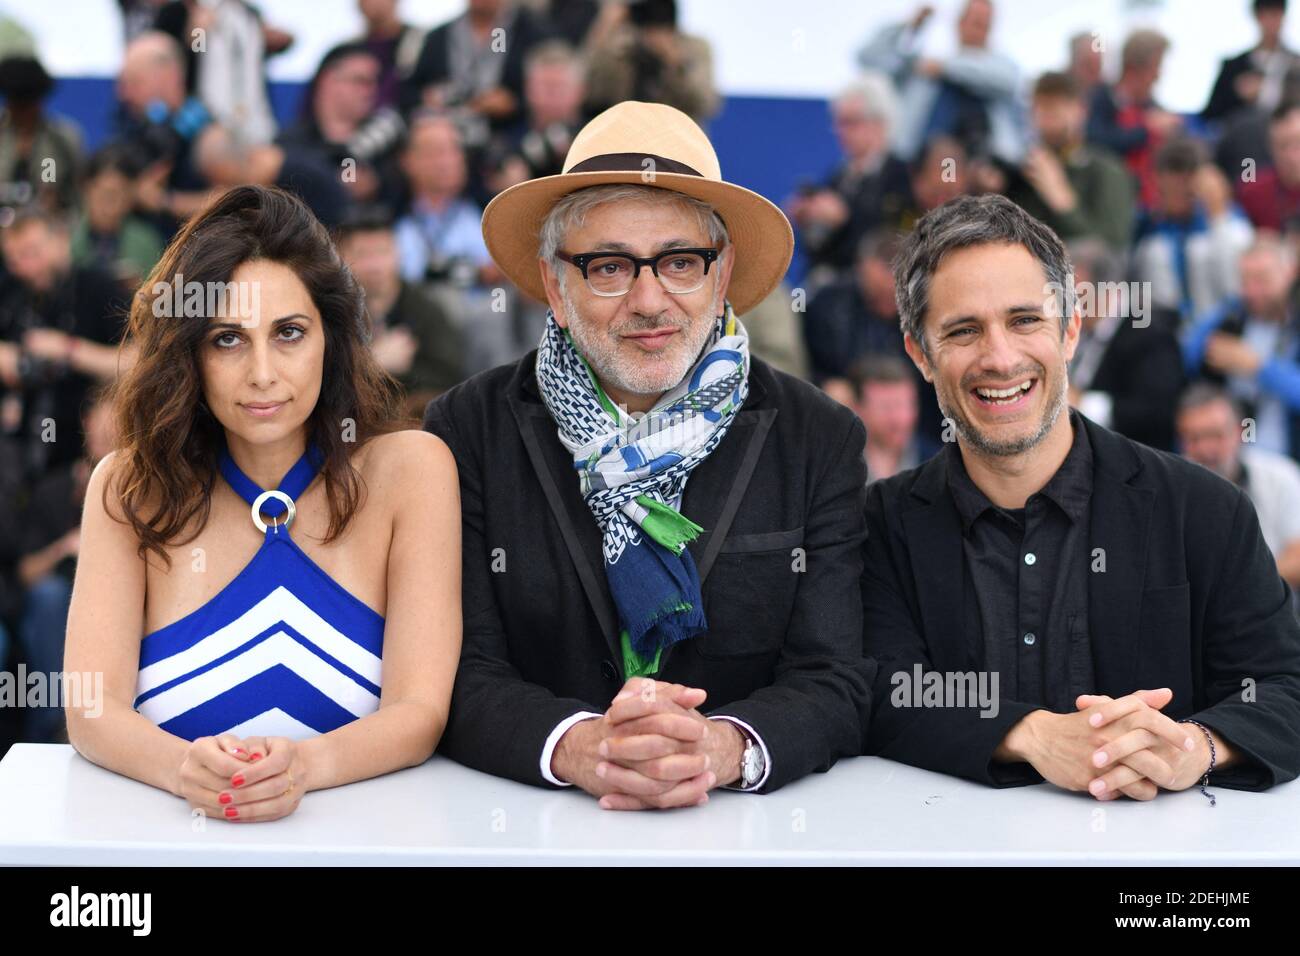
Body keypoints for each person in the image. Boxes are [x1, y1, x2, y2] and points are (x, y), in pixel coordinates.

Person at [424, 101, 874, 807]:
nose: (648, 299)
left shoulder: (819, 437)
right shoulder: (465, 430)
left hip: (741, 841)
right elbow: (458, 668)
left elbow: (835, 677)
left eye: (680, 263)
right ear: (556, 287)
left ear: (720, 277)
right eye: (608, 266)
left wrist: (720, 749)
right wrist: (580, 746)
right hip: (527, 835)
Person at [863, 193, 1300, 798]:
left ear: (1069, 329)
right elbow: (877, 687)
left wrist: (1191, 748)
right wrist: (1032, 734)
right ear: (920, 354)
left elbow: (1284, 687)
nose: (1000, 357)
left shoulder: (1205, 509)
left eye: (1025, 320)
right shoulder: (880, 524)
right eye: (963, 330)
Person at [64, 185, 461, 823]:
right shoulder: (128, 487)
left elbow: (419, 712)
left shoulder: (411, 471)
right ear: (187, 350)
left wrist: (303, 768)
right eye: (227, 339)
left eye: (290, 333)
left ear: (330, 338)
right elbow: (88, 708)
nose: (263, 372)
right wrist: (181, 769)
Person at [335, 205, 464, 411]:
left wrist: (390, 371)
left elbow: (448, 375)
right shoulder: (335, 311)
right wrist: (373, 364)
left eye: (382, 252)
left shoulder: (425, 308)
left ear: (398, 253)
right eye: (362, 254)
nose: (374, 265)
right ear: (342, 257)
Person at [1176, 383, 1300, 595]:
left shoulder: (1281, 475)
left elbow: (1297, 558)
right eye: (1194, 438)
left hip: (1274, 611)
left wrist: (1236, 588)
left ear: (1240, 432)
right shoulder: (1169, 488)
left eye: (1215, 435)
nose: (1206, 448)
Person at [1184, 236, 1300, 461]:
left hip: (1287, 460)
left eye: (1262, 279)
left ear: (1290, 273)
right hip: (1233, 457)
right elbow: (1189, 355)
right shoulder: (1233, 318)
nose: (1252, 291)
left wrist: (1259, 367)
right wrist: (1226, 311)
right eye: (1245, 280)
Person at [1005, 72, 1135, 253]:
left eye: (1055, 109)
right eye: (1039, 110)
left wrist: (1061, 199)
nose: (1047, 119)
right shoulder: (1023, 172)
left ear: (1081, 110)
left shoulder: (1106, 170)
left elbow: (1112, 248)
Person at [1202, 0, 1300, 124]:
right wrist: (1236, 93)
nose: (1271, 22)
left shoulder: (1296, 64)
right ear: (1256, 18)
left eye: (1275, 14)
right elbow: (1211, 113)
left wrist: (1267, 91)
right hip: (1244, 135)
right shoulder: (1234, 67)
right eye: (1265, 15)